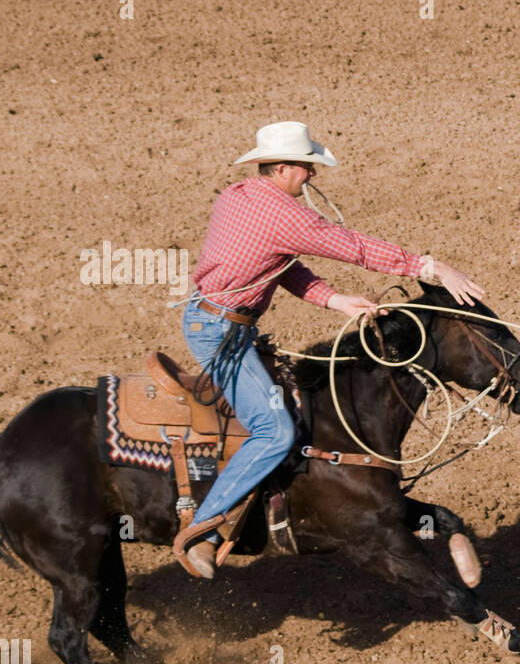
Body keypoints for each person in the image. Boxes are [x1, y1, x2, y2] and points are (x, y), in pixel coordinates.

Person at [174, 121, 485, 578]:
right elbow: (351, 246)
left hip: (220, 321)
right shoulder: (284, 214)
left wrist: (336, 300)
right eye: (306, 167)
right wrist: (430, 266)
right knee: (275, 430)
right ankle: (204, 530)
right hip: (221, 333)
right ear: (282, 168)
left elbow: (279, 265)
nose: (312, 176)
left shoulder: (239, 196)